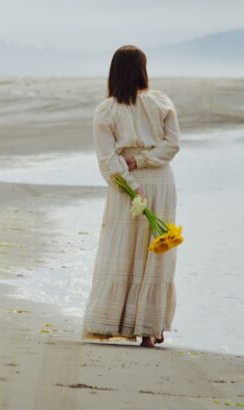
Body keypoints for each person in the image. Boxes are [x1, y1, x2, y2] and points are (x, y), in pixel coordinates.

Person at [81, 45, 181, 348]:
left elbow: (107, 161)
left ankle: (121, 322)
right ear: (142, 70)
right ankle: (151, 329)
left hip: (129, 184)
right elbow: (172, 146)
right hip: (162, 182)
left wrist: (131, 180)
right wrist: (146, 162)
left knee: (124, 249)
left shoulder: (106, 110)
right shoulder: (161, 102)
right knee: (155, 252)